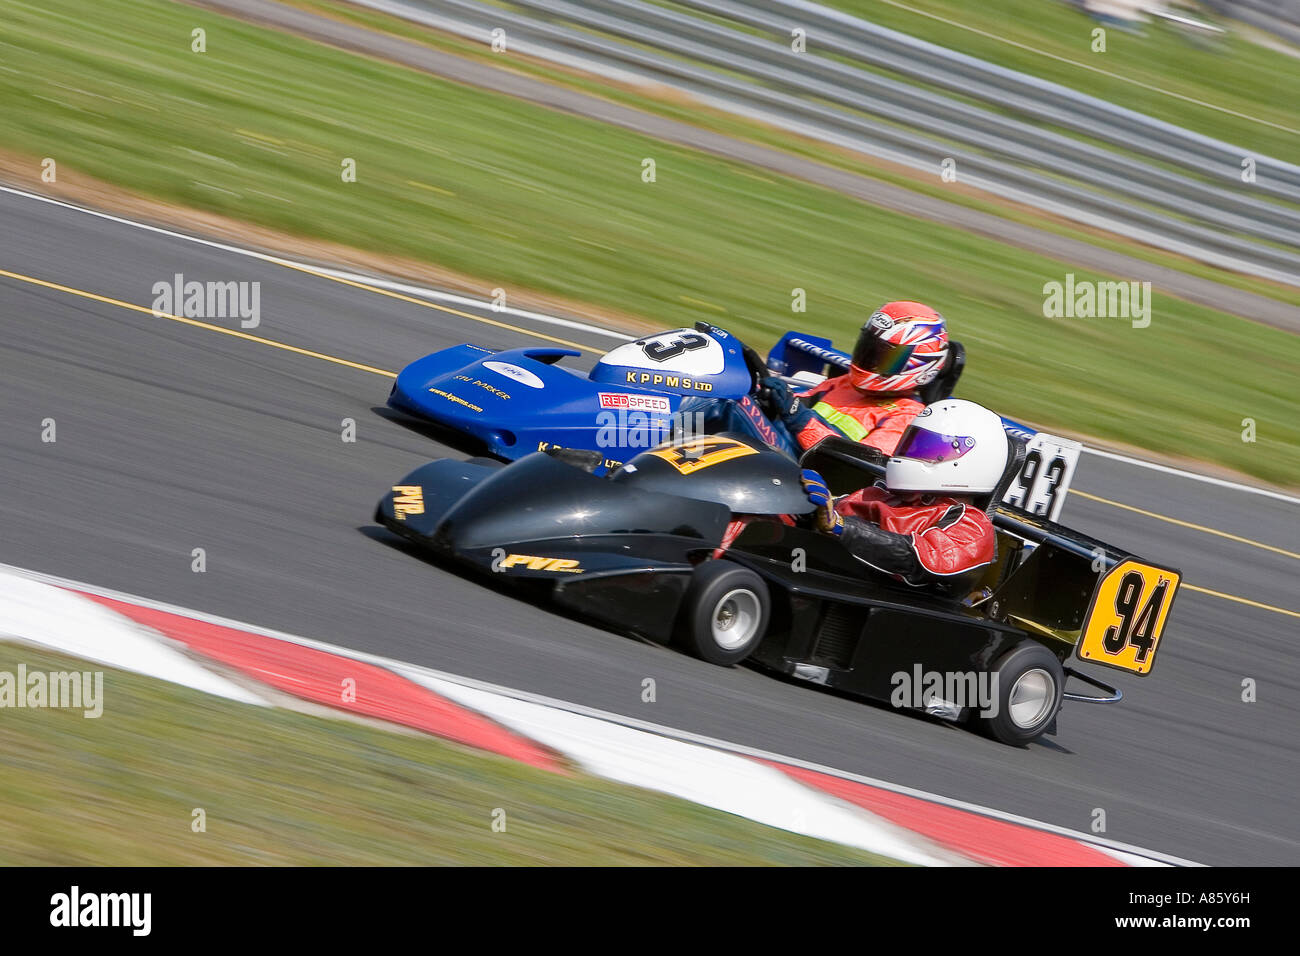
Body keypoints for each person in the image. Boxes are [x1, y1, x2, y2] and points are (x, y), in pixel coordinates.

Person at [800, 399, 1008, 588]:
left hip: (887, 605)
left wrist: (841, 527)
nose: (912, 452)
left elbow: (918, 559)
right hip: (822, 570)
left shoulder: (973, 526)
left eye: (928, 448)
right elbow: (826, 515)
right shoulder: (883, 493)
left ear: (972, 461)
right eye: (913, 443)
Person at [763, 301, 950, 455]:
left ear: (920, 364)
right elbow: (795, 404)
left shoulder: (907, 416)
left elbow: (859, 464)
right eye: (869, 350)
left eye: (883, 357)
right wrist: (770, 398)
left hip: (808, 474)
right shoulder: (846, 383)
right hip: (774, 447)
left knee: (735, 406)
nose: (871, 360)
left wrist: (800, 420)